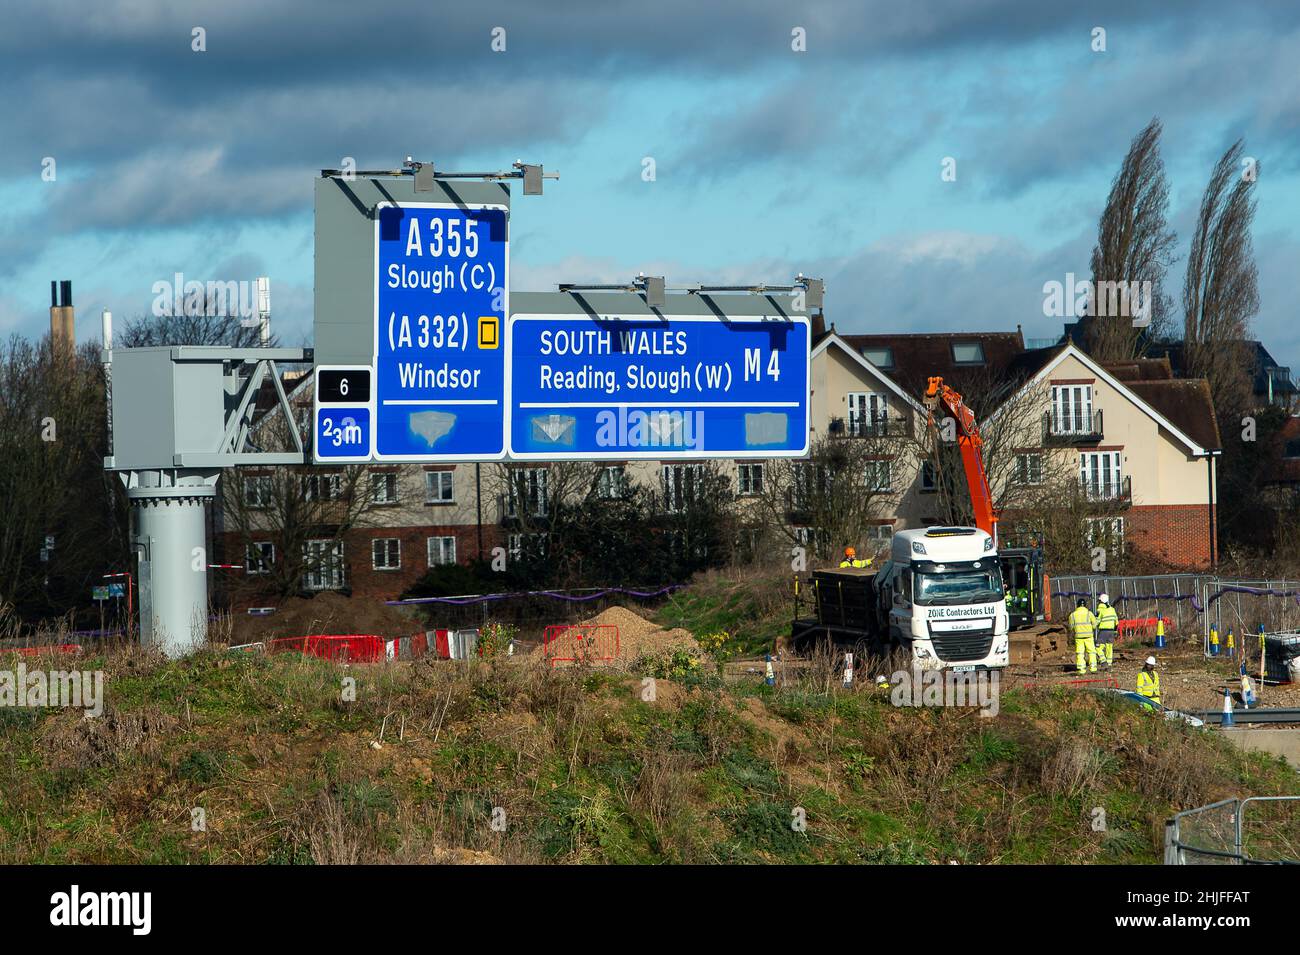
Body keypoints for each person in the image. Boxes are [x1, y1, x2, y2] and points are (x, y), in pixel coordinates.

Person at [1067, 598, 1098, 674]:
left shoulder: (1073, 615)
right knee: (1092, 652)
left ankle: (1081, 669)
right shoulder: (1089, 613)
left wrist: (1076, 629)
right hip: (1089, 636)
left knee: (1080, 653)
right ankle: (1093, 668)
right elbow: (1094, 625)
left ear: (1077, 605)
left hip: (1078, 637)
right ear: (1085, 605)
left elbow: (1070, 627)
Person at [1094, 593, 1118, 668]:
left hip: (1103, 631)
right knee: (1109, 647)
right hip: (1111, 631)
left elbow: (1097, 621)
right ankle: (1109, 664)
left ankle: (1103, 660)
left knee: (1098, 647)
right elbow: (1116, 622)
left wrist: (1092, 626)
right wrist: (1115, 631)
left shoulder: (1100, 610)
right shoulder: (1112, 609)